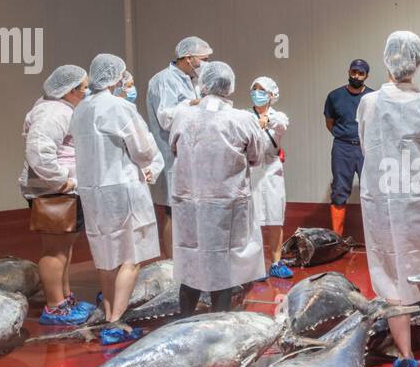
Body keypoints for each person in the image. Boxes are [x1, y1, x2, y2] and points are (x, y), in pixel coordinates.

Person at [358, 31, 420, 367]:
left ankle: (406, 357)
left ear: (386, 60)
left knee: (392, 270)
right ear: (417, 62)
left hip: (384, 199)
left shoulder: (369, 104)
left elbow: (368, 147)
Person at [71, 54, 164, 344]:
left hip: (92, 191)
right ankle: (116, 321)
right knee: (131, 257)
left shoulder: (81, 108)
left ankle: (110, 312)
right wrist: (150, 164)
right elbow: (143, 149)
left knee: (106, 256)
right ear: (116, 77)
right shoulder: (118, 107)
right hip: (121, 189)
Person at [169, 61, 273, 317]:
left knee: (192, 262)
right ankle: (219, 324)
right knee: (224, 265)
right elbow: (256, 156)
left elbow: (174, 147)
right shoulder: (242, 119)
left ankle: (184, 319)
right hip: (226, 205)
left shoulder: (184, 115)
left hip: (189, 202)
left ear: (203, 84)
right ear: (230, 86)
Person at [19, 64, 94, 325]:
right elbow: (39, 153)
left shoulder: (63, 109)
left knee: (65, 247)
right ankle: (54, 306)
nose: (87, 92)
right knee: (54, 250)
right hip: (54, 191)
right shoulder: (52, 113)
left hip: (66, 189)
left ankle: (65, 297)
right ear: (70, 90)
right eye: (84, 88)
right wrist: (62, 181)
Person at [147, 37, 210, 258]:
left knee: (187, 211)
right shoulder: (164, 80)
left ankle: (187, 260)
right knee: (173, 210)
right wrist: (191, 105)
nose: (206, 64)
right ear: (188, 57)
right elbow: (166, 118)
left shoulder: (190, 80)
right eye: (203, 60)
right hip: (171, 154)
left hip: (189, 154)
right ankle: (172, 263)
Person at [324, 59, 375, 235]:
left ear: (366, 75)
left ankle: (372, 237)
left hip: (366, 149)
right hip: (342, 147)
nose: (356, 75)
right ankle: (337, 238)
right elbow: (329, 123)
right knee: (339, 190)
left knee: (371, 192)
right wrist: (345, 135)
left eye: (361, 73)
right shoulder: (334, 96)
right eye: (354, 71)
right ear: (348, 72)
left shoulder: (373, 98)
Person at [249, 76, 291, 280]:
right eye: (254, 89)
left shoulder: (279, 116)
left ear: (272, 95)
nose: (257, 94)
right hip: (252, 170)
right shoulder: (244, 116)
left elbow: (282, 124)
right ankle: (255, 266)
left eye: (262, 90)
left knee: (275, 218)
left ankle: (276, 262)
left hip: (273, 170)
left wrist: (267, 119)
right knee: (253, 220)